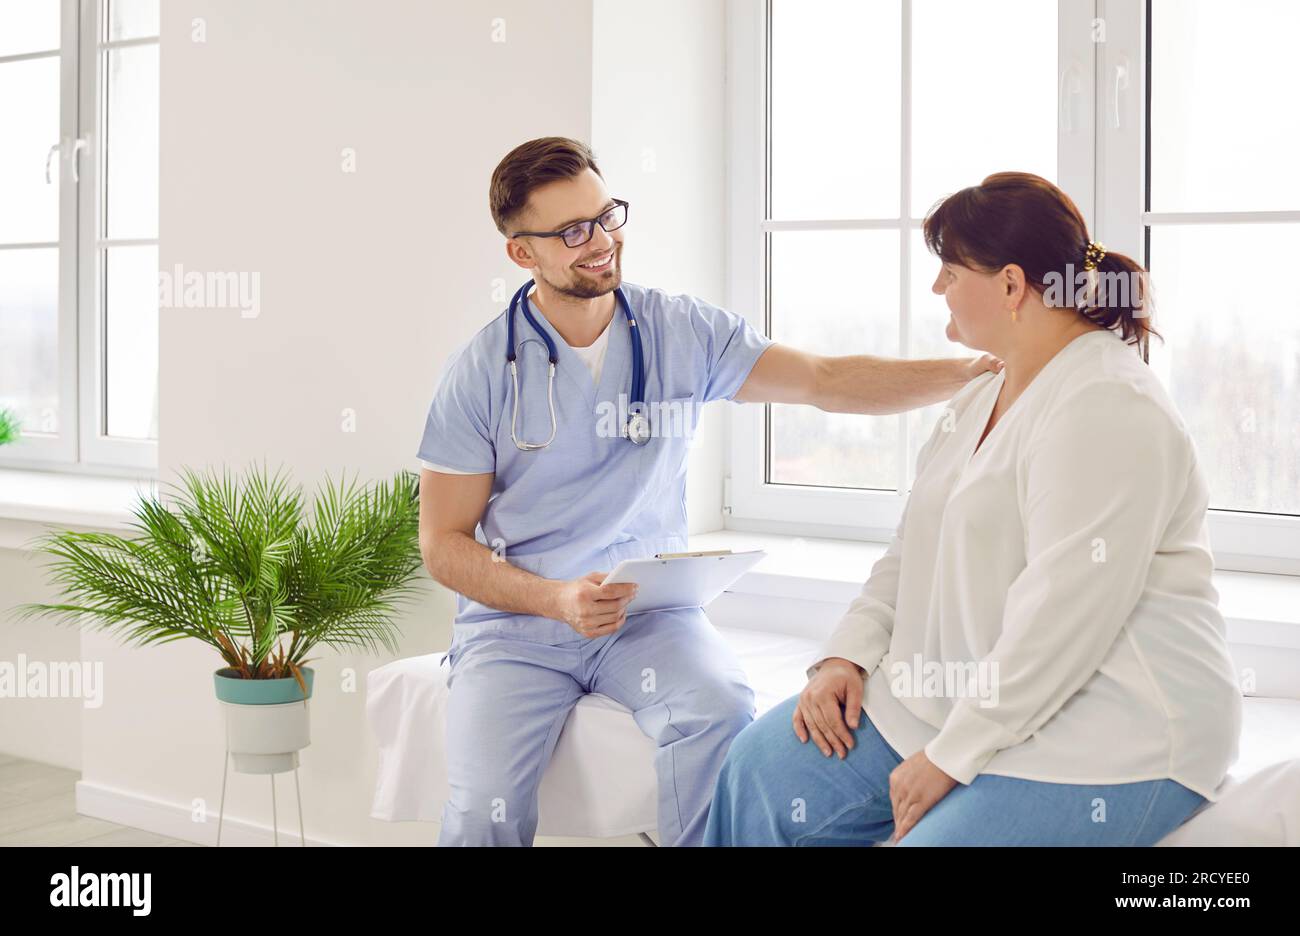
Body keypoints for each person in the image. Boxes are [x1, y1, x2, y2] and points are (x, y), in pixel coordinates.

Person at [418, 136, 1000, 846]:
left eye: (607, 216)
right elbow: (443, 545)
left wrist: (969, 373)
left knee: (720, 713)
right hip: (518, 631)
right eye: (573, 232)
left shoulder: (681, 331)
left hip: (648, 616)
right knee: (483, 809)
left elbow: (823, 379)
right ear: (522, 252)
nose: (602, 241)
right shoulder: (480, 372)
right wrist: (555, 600)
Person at [704, 171, 1242, 847]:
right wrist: (848, 657)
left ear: (1012, 285)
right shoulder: (980, 395)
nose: (938, 289)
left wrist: (955, 756)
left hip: (1108, 733)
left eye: (951, 272)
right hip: (951, 701)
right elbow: (909, 554)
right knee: (758, 770)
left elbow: (1063, 615)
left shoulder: (1107, 405)